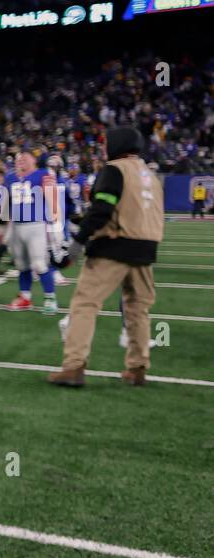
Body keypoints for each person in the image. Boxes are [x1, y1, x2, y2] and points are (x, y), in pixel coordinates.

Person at [48, 127, 164, 387]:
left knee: (85, 304)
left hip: (113, 246)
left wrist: (78, 242)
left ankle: (74, 366)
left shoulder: (114, 170)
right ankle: (138, 368)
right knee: (138, 310)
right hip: (145, 250)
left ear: (117, 145)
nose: (103, 149)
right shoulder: (152, 177)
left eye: (105, 144)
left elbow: (102, 209)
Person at [2, 151, 60, 315]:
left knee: (39, 264)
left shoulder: (43, 174)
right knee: (22, 265)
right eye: (19, 158)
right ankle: (25, 297)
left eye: (25, 158)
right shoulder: (10, 178)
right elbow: (8, 204)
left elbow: (52, 197)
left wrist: (55, 222)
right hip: (16, 225)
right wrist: (6, 227)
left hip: (36, 225)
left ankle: (50, 298)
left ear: (34, 161)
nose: (21, 160)